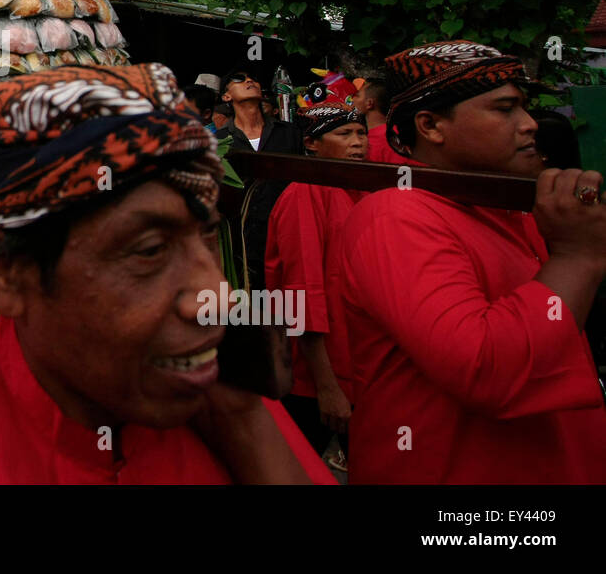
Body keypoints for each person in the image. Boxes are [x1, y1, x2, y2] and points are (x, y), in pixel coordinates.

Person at [0, 65, 333, 484]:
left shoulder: (229, 403)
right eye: (147, 250)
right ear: (5, 269)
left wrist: (244, 426)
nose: (214, 296)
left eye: (207, 235)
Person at [336, 40, 606, 484]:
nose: (529, 126)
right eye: (505, 109)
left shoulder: (516, 214)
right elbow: (486, 371)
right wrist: (578, 257)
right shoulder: (397, 216)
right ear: (431, 125)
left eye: (525, 108)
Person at [264, 103, 367, 472]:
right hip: (315, 375)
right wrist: (327, 386)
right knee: (294, 472)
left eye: (361, 133)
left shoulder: (360, 192)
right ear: (312, 143)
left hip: (359, 369)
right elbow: (302, 292)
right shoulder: (307, 192)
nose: (358, 143)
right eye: (344, 135)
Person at [218, 69, 304, 290]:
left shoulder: (289, 133)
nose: (249, 81)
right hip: (240, 239)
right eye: (238, 79)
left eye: (253, 78)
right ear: (226, 96)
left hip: (287, 233)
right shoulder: (218, 141)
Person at [352, 77, 395, 163]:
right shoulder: (396, 131)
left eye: (357, 95)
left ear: (369, 103)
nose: (352, 100)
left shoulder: (381, 141)